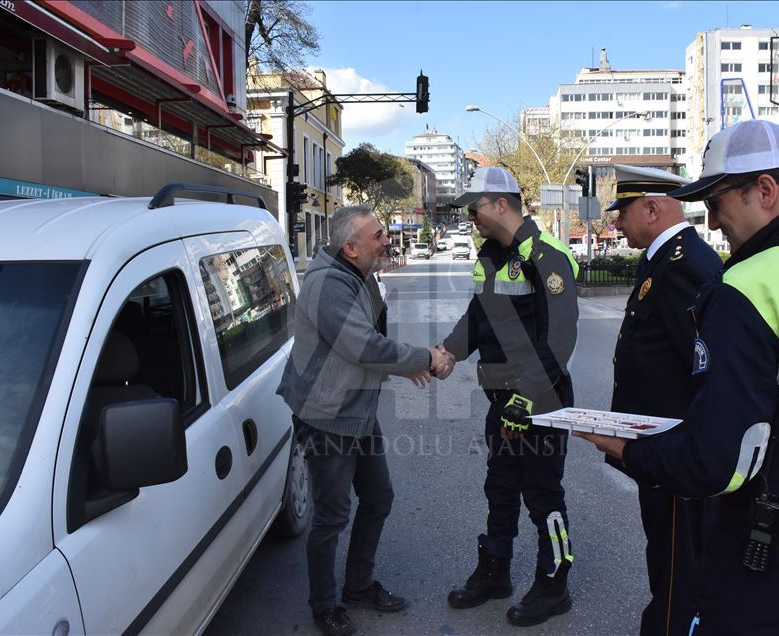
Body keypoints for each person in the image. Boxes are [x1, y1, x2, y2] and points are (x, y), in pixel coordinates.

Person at [576, 120, 779, 635]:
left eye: (716, 201)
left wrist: (629, 449)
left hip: (769, 566)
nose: (711, 221)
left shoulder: (748, 287)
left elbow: (716, 463)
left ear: (765, 189)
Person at [277, 205, 452, 636]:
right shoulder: (328, 286)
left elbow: (371, 340)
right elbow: (364, 346)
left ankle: (357, 586)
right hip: (326, 417)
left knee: (378, 497)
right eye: (378, 235)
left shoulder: (358, 276)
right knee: (332, 516)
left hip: (355, 410)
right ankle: (324, 605)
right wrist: (425, 358)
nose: (386, 239)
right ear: (350, 247)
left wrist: (400, 363)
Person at [439, 166, 580, 627]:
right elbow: (478, 317)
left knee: (543, 494)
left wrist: (526, 399)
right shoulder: (492, 255)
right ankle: (495, 571)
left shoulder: (548, 254)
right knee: (499, 489)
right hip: (502, 398)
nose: (470, 217)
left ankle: (554, 580)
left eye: (475, 207)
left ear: (501, 204)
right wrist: (445, 353)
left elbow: (559, 338)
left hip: (543, 400)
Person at [606, 164, 723, 636]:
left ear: (652, 208)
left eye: (623, 212)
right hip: (660, 446)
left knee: (677, 568)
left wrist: (686, 451)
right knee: (668, 557)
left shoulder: (682, 266)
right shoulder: (663, 259)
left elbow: (703, 368)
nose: (616, 222)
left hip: (674, 449)